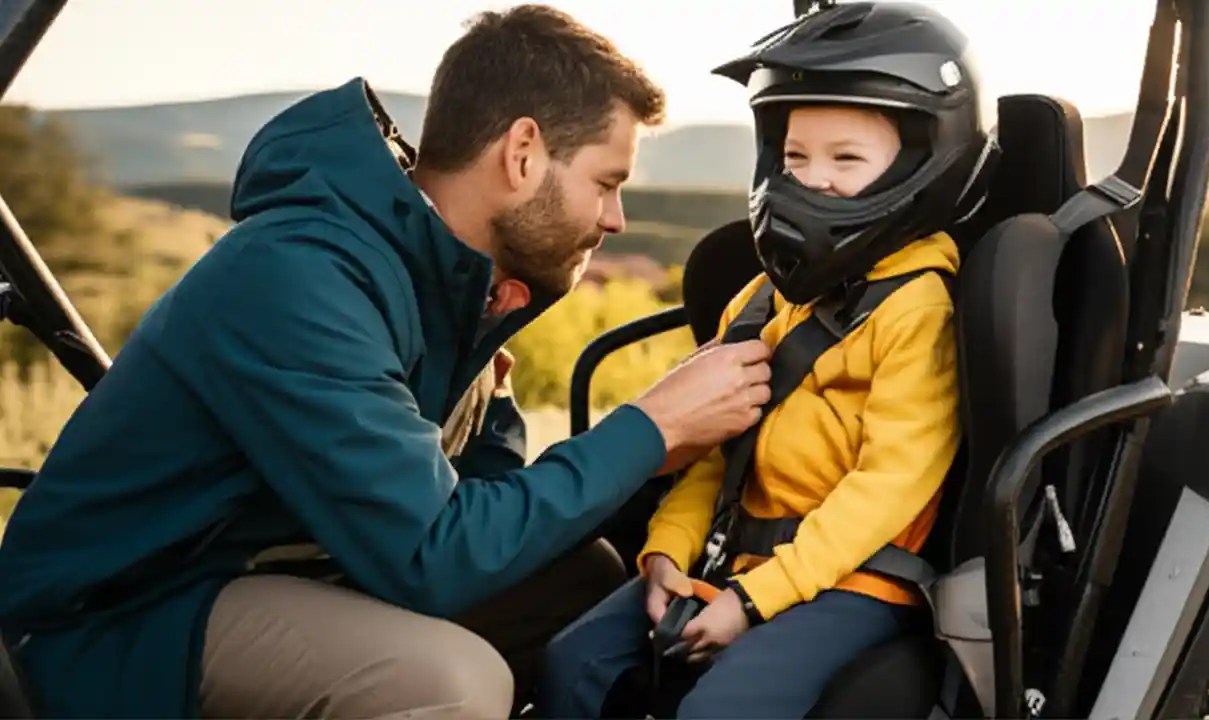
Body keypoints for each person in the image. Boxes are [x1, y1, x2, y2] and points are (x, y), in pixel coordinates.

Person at [0, 5, 775, 719]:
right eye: (606, 183)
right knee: (449, 683)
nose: (616, 217)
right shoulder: (303, 278)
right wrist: (653, 425)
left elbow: (476, 501)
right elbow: (429, 557)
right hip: (121, 613)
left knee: (581, 585)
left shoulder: (445, 282)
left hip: (282, 567)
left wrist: (488, 405)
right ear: (523, 153)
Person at [537, 3, 997, 717]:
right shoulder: (762, 300)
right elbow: (716, 454)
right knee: (571, 666)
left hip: (850, 581)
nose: (812, 180)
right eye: (794, 157)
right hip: (730, 564)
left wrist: (755, 601)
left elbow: (889, 487)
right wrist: (666, 552)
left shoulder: (919, 312)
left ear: (919, 162)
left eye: (846, 158)